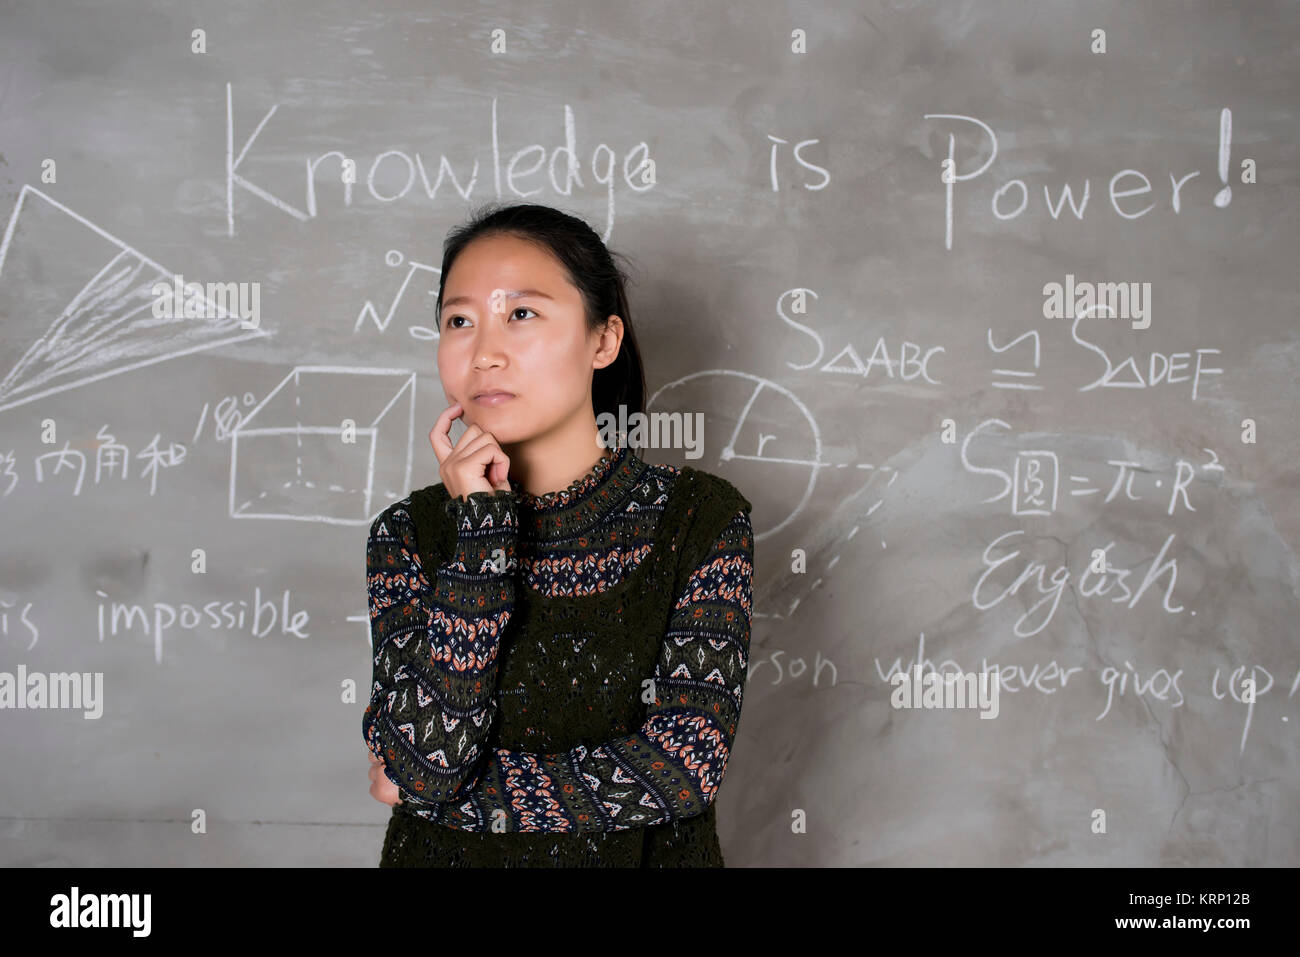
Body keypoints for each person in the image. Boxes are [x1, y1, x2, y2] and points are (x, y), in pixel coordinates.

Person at [362, 203, 754, 867]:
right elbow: (429, 757)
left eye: (521, 313)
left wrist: (457, 797)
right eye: (460, 320)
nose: (484, 351)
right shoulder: (409, 534)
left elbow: (685, 764)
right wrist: (482, 537)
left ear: (603, 340)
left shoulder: (700, 519)